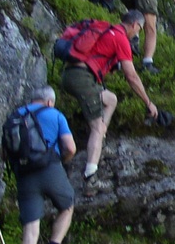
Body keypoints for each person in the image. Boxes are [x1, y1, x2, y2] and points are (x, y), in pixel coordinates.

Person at [60, 10, 159, 197]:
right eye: (139, 29)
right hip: (82, 79)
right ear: (134, 25)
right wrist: (148, 102)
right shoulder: (121, 38)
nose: (137, 34)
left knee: (110, 99)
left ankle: (100, 142)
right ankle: (90, 179)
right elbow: (131, 76)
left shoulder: (108, 30)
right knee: (97, 127)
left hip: (70, 75)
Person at [9, 85, 76, 244]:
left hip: (24, 175)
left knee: (30, 230)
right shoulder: (55, 114)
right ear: (49, 101)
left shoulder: (15, 116)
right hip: (50, 168)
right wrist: (61, 162)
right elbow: (70, 148)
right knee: (67, 205)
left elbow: (5, 153)